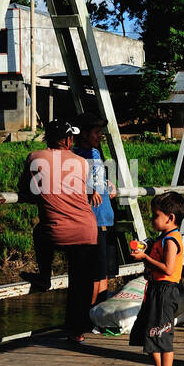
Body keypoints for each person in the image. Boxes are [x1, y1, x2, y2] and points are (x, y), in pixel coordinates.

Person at [22, 119, 97, 342]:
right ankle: (77, 332)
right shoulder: (81, 162)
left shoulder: (36, 157)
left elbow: (25, 189)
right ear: (66, 140)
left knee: (40, 231)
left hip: (56, 231)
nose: (73, 140)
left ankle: (45, 276)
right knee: (81, 282)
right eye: (71, 137)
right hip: (86, 228)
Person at [129, 192, 184, 366]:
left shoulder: (171, 240)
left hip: (166, 291)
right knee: (147, 331)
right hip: (155, 289)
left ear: (170, 218)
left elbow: (169, 268)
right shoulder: (162, 238)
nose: (152, 219)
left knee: (162, 334)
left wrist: (145, 258)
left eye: (155, 215)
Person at [73, 113, 118, 306]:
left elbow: (97, 178)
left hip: (106, 217)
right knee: (95, 274)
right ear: (84, 134)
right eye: (97, 132)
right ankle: (89, 316)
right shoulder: (75, 156)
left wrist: (108, 183)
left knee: (105, 272)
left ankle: (99, 314)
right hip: (93, 221)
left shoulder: (96, 153)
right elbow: (68, 183)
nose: (100, 135)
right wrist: (87, 189)